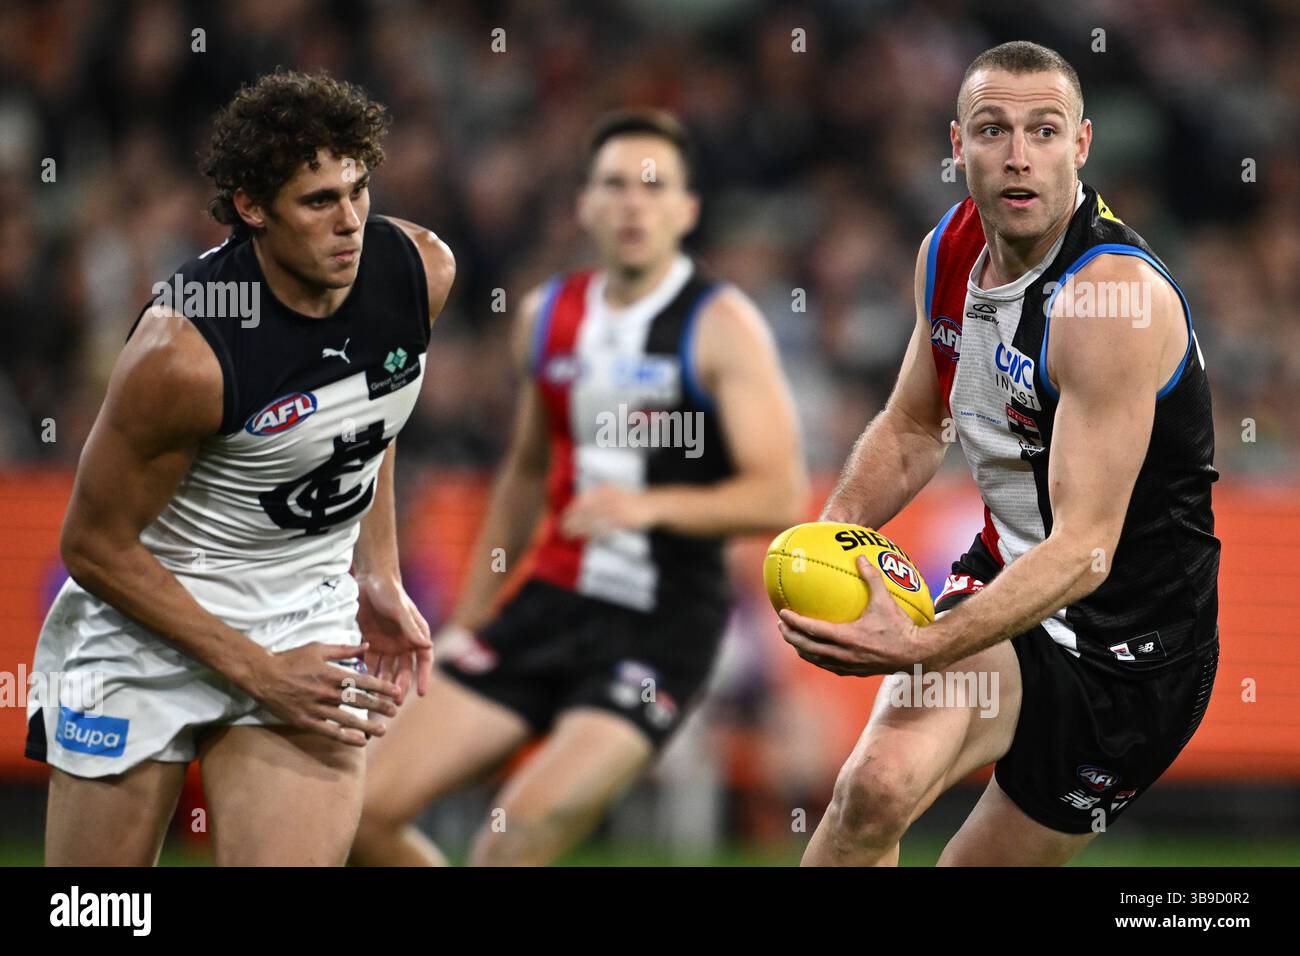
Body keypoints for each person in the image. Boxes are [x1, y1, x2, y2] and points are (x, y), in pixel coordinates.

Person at [778, 41, 1220, 866]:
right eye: (993, 130)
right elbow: (915, 426)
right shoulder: (947, 251)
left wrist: (918, 644)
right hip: (1007, 584)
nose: (1019, 156)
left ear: (1082, 146)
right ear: (958, 145)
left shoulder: (1110, 300)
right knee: (872, 789)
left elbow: (1085, 552)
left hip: (1133, 657)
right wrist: (828, 543)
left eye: (1044, 131)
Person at [352, 109, 808, 866]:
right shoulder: (546, 316)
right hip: (549, 604)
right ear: (585, 205)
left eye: (653, 186)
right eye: (614, 185)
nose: (633, 203)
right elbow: (526, 470)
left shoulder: (721, 326)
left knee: (506, 847)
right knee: (361, 811)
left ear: (687, 210)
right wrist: (467, 619)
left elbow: (780, 495)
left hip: (661, 630)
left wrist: (650, 506)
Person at [25, 69, 455, 866]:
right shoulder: (182, 352)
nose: (351, 222)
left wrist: (379, 571)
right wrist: (260, 671)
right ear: (252, 208)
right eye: (318, 201)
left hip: (304, 614)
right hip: (147, 626)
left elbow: (372, 417)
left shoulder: (418, 270)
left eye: (358, 189)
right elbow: (91, 545)